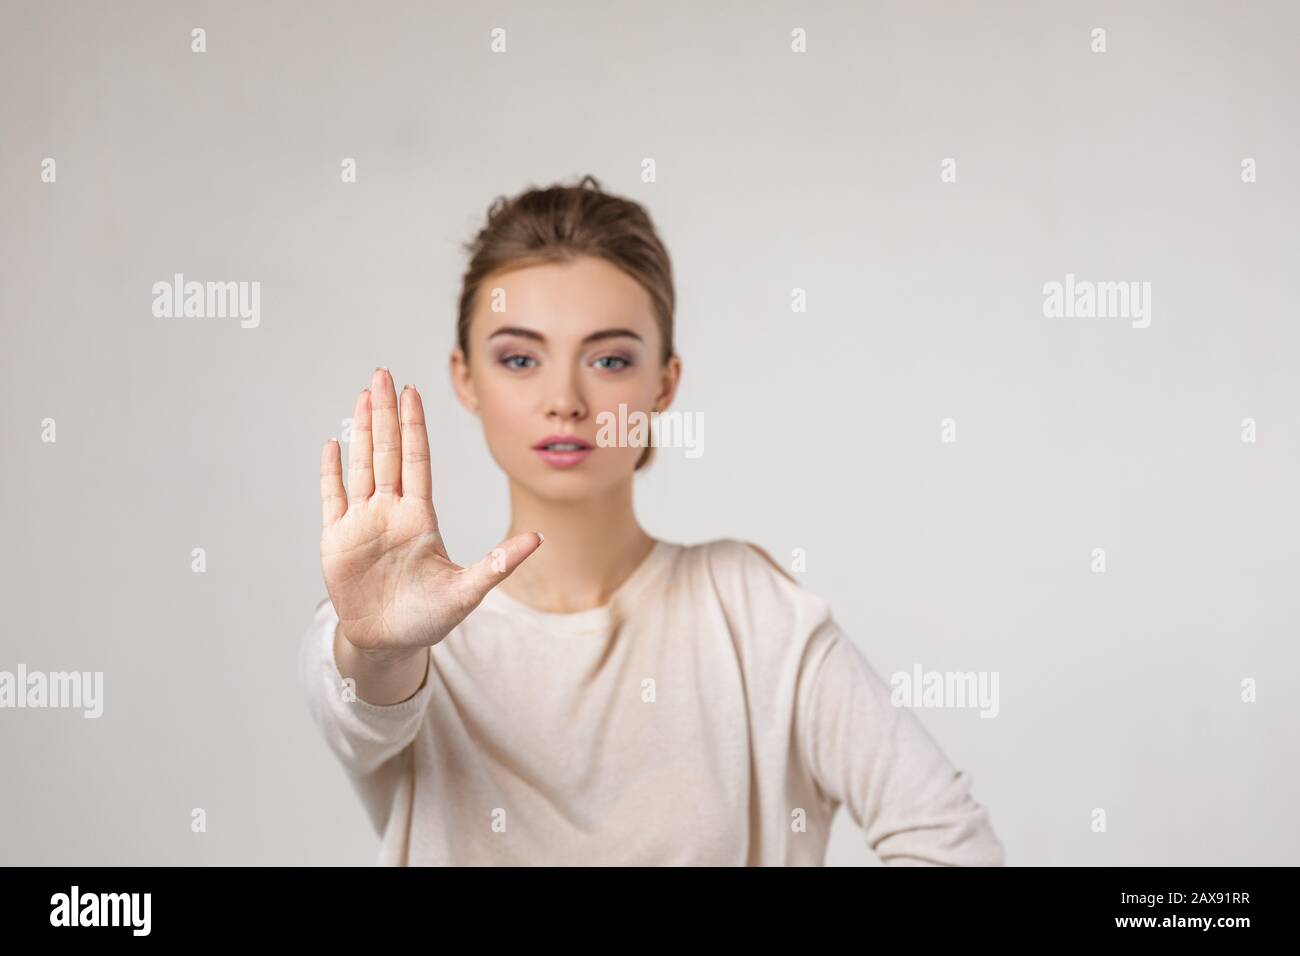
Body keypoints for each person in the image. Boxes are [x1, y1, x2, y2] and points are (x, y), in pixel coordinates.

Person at [298, 174, 1005, 866]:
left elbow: (951, 843)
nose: (565, 400)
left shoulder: (750, 612)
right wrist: (381, 648)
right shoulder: (402, 632)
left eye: (608, 359)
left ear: (664, 383)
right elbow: (366, 706)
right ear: (465, 378)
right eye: (519, 358)